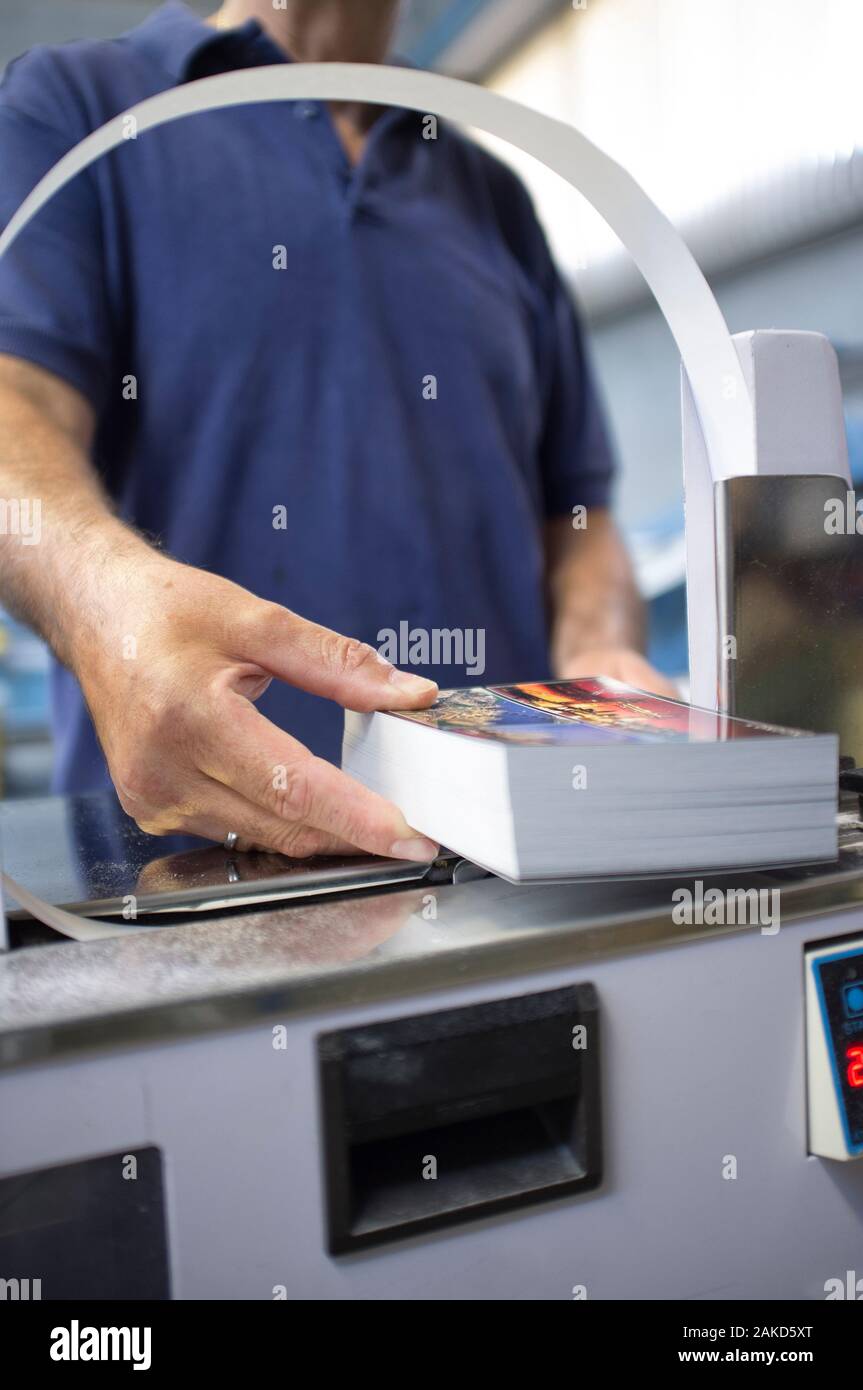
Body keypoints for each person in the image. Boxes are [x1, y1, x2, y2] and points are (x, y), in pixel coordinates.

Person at [0, 0, 672, 860]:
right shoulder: (77, 109)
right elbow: (15, 408)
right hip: (193, 875)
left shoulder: (492, 197)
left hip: (511, 870)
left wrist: (601, 654)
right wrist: (106, 607)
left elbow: (577, 518)